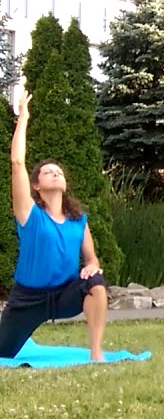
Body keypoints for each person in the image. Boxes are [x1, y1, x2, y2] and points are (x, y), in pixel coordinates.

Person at [0, 94, 109, 361]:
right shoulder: (30, 214)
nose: (55, 173)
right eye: (48, 172)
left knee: (95, 283)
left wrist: (92, 266)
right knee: (3, 352)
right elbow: (17, 164)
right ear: (36, 185)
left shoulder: (78, 219)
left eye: (58, 172)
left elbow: (91, 259)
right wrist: (23, 118)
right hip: (27, 299)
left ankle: (96, 354)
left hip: (64, 295)